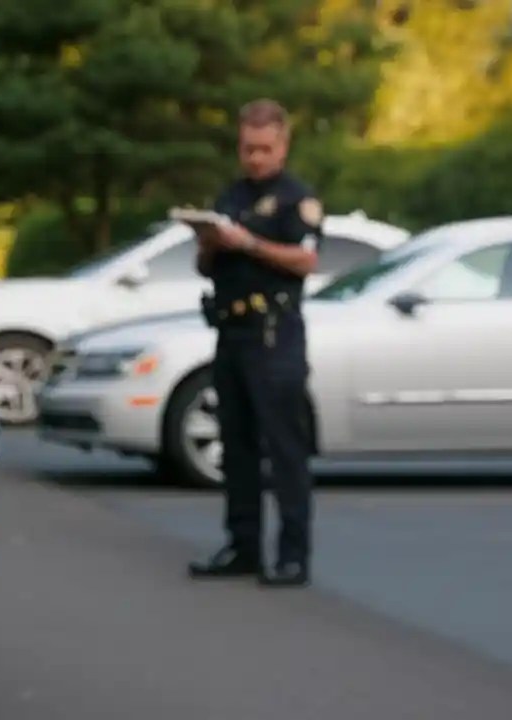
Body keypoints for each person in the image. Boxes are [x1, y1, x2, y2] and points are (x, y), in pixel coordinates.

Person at [187, 99, 322, 588]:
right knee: (237, 444)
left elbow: (306, 261)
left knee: (284, 448)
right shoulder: (231, 196)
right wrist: (209, 243)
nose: (256, 158)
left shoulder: (295, 199)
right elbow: (207, 268)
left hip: (274, 335)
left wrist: (249, 244)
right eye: (248, 148)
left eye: (265, 149)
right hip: (232, 332)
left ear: (282, 146)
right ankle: (243, 546)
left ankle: (292, 554)